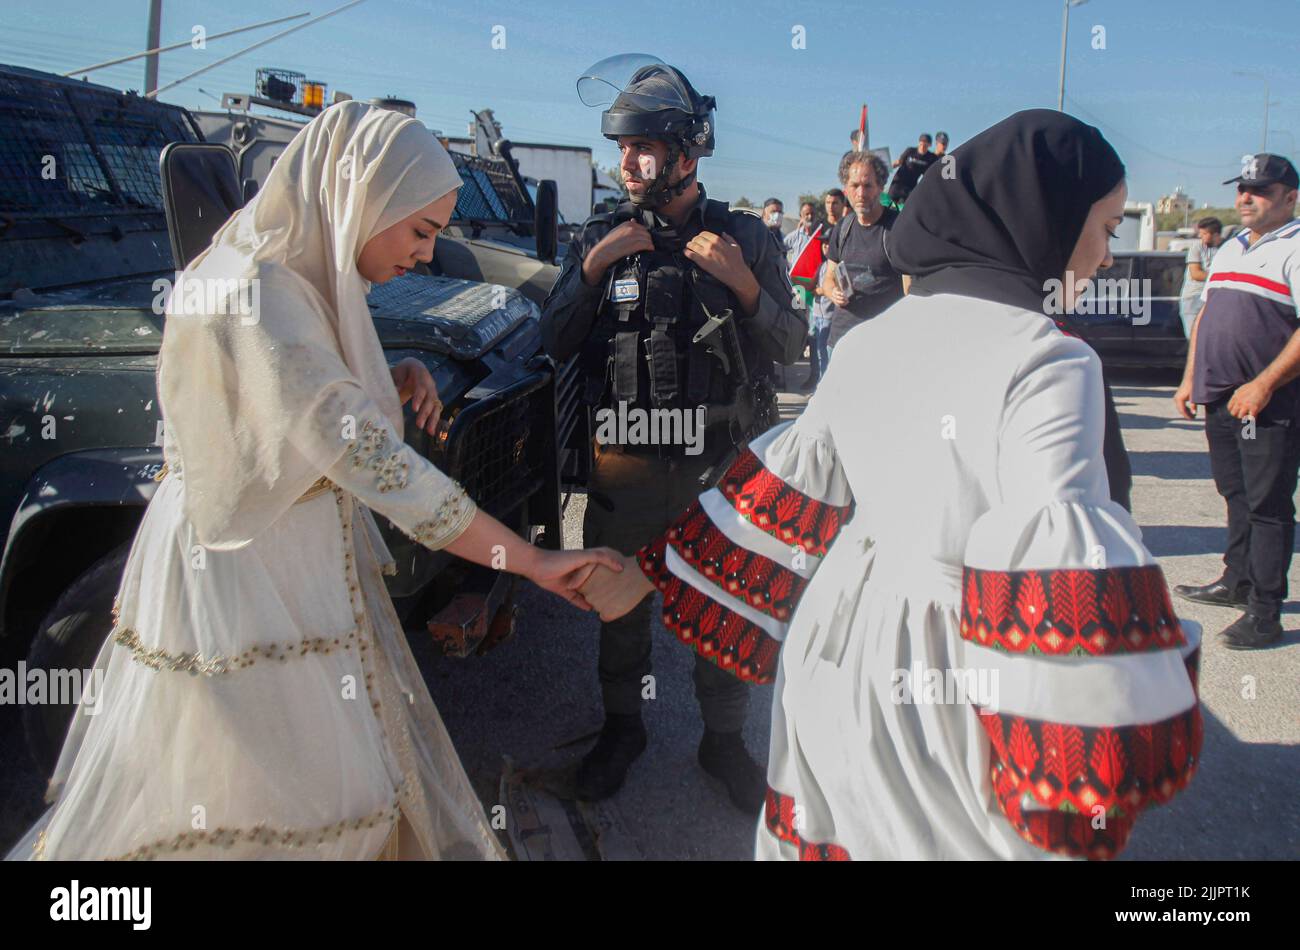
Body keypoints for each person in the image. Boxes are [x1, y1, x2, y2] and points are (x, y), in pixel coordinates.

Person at [577, 110, 1203, 860]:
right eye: (1102, 228)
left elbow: (783, 487)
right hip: (948, 662)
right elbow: (1057, 555)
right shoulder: (1051, 359)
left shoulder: (875, 338)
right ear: (1047, 223)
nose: (1105, 257)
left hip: (837, 649)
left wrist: (648, 574)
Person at [8, 102, 622, 861]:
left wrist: (389, 378)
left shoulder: (281, 268)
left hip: (285, 565)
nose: (429, 256)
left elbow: (296, 402)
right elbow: (380, 468)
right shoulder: (257, 293)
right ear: (359, 197)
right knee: (270, 805)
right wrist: (531, 560)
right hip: (247, 586)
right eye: (421, 231)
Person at [540, 58, 806, 812]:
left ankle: (724, 742)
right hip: (624, 471)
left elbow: (790, 348)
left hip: (718, 474)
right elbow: (553, 341)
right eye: (620, 146)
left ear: (687, 155)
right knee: (619, 615)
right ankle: (622, 730)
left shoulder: (746, 238)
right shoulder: (601, 233)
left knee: (723, 613)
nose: (625, 161)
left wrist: (745, 285)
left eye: (642, 146)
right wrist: (591, 269)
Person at [1173, 153, 1300, 650]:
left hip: (1268, 401)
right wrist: (1189, 380)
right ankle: (1236, 581)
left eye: (1261, 190)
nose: (1246, 198)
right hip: (1221, 397)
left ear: (1290, 198)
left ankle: (1265, 612)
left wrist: (1265, 383)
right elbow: (1205, 319)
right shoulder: (1229, 247)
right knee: (1236, 493)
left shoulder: (1294, 247)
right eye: (1242, 188)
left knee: (1268, 505)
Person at [820, 150, 904, 347]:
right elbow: (828, 279)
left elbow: (911, 288)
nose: (861, 194)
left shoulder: (897, 227)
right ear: (846, 189)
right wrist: (833, 293)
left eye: (868, 186)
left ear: (881, 188)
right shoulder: (842, 227)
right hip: (841, 341)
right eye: (854, 185)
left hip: (883, 342)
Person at [1179, 217, 1224, 339]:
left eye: (1204, 233)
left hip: (1215, 297)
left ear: (1215, 234)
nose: (1200, 236)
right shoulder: (1196, 248)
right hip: (1194, 298)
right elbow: (1196, 274)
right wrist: (1222, 276)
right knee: (1195, 338)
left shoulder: (1225, 248)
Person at [887, 132, 939, 205]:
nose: (923, 146)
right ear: (919, 143)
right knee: (889, 204)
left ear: (929, 145)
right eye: (921, 143)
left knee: (909, 206)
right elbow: (899, 162)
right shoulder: (910, 151)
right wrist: (887, 167)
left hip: (911, 186)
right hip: (898, 183)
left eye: (925, 144)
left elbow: (931, 173)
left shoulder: (930, 157)